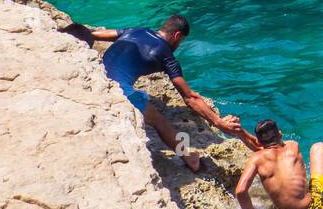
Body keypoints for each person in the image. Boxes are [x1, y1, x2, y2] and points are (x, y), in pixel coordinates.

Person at [91, 15, 258, 171]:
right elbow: (190, 98)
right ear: (177, 35)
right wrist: (218, 122)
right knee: (159, 120)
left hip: (94, 77)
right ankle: (189, 158)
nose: (178, 46)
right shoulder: (167, 56)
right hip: (118, 91)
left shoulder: (137, 31)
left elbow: (97, 34)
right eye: (181, 41)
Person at [234, 119, 323, 209]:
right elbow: (263, 146)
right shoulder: (293, 146)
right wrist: (241, 132)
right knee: (319, 146)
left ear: (259, 141)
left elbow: (240, 191)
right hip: (316, 205)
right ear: (280, 134)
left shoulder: (256, 159)